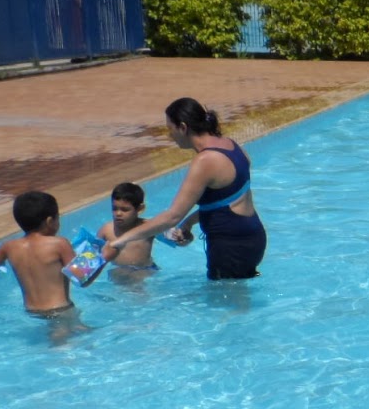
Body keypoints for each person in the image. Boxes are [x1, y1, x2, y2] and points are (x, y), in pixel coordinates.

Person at [101, 98, 266, 280]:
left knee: (227, 306)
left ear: (183, 127)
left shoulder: (205, 161)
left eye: (170, 129)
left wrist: (120, 241)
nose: (170, 136)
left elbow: (172, 216)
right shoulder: (230, 145)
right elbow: (230, 200)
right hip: (253, 237)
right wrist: (189, 223)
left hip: (230, 246)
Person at [0, 190, 95, 324]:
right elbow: (82, 279)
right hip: (60, 310)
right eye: (57, 217)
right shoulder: (59, 244)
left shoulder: (9, 246)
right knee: (72, 343)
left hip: (32, 313)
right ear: (49, 221)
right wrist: (104, 258)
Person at [95, 183, 159, 276]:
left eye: (125, 209)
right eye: (114, 208)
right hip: (118, 272)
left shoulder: (147, 227)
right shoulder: (106, 230)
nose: (118, 213)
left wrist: (180, 237)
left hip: (144, 271)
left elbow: (175, 239)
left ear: (140, 209)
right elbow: (92, 254)